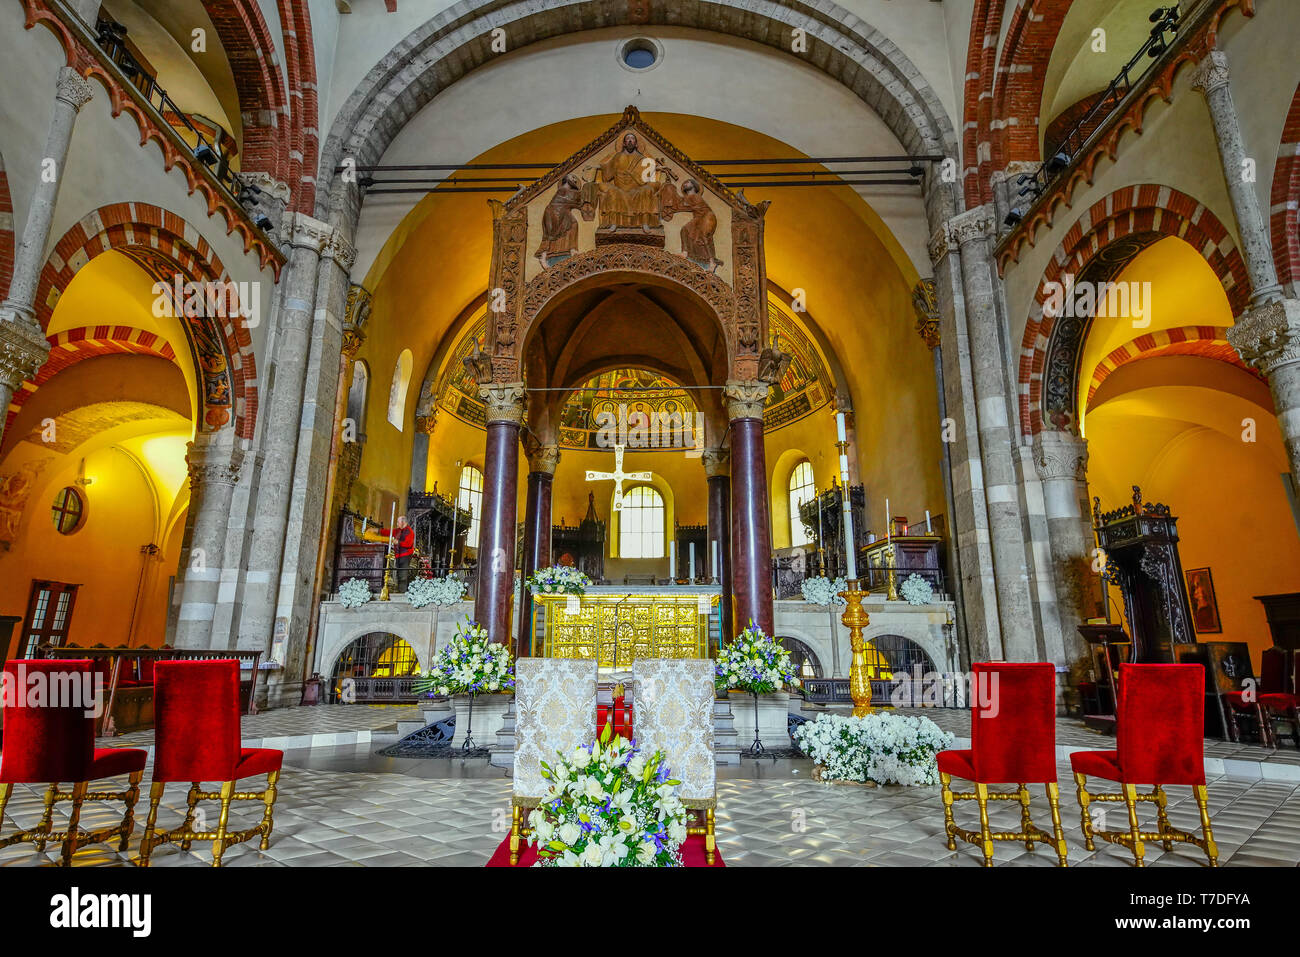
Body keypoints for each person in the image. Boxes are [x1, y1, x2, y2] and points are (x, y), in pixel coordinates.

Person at [380, 515, 416, 591]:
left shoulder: (409, 531)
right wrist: (377, 531)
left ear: (403, 522)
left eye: (398, 522)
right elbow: (389, 532)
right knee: (398, 575)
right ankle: (399, 590)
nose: (397, 524)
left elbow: (408, 544)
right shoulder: (398, 530)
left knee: (403, 575)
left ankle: (402, 593)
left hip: (405, 555)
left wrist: (398, 542)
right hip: (398, 555)